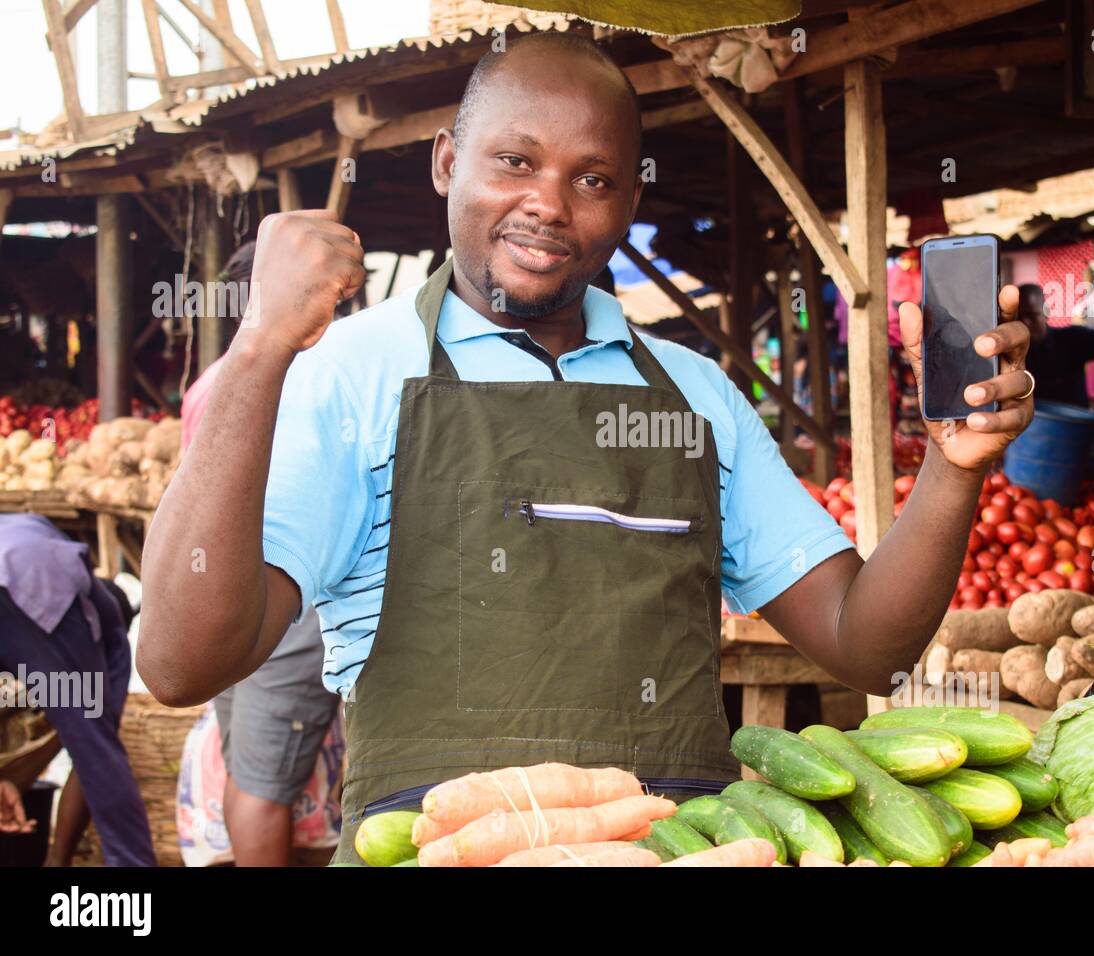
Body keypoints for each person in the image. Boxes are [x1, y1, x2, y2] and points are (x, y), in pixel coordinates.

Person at [138, 32, 1034, 863]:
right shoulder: (354, 375)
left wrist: (954, 470)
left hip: (676, 849)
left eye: (593, 179)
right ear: (449, 162)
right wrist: (259, 346)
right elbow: (181, 666)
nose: (548, 206)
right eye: (515, 161)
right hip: (441, 848)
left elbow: (863, 647)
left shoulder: (694, 391)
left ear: (630, 199)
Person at [181, 243, 341, 867]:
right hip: (290, 593)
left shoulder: (210, 384)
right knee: (263, 786)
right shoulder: (309, 379)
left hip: (229, 597)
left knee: (249, 765)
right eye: (329, 294)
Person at [0, 514, 155, 866]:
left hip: (22, 570)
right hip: (23, 577)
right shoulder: (101, 633)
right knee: (95, 749)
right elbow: (96, 758)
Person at [1019, 283, 1094, 408]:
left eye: (1032, 316)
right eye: (1018, 317)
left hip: (1075, 424)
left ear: (1047, 312)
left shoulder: (1072, 339)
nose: (1024, 323)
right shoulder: (1009, 354)